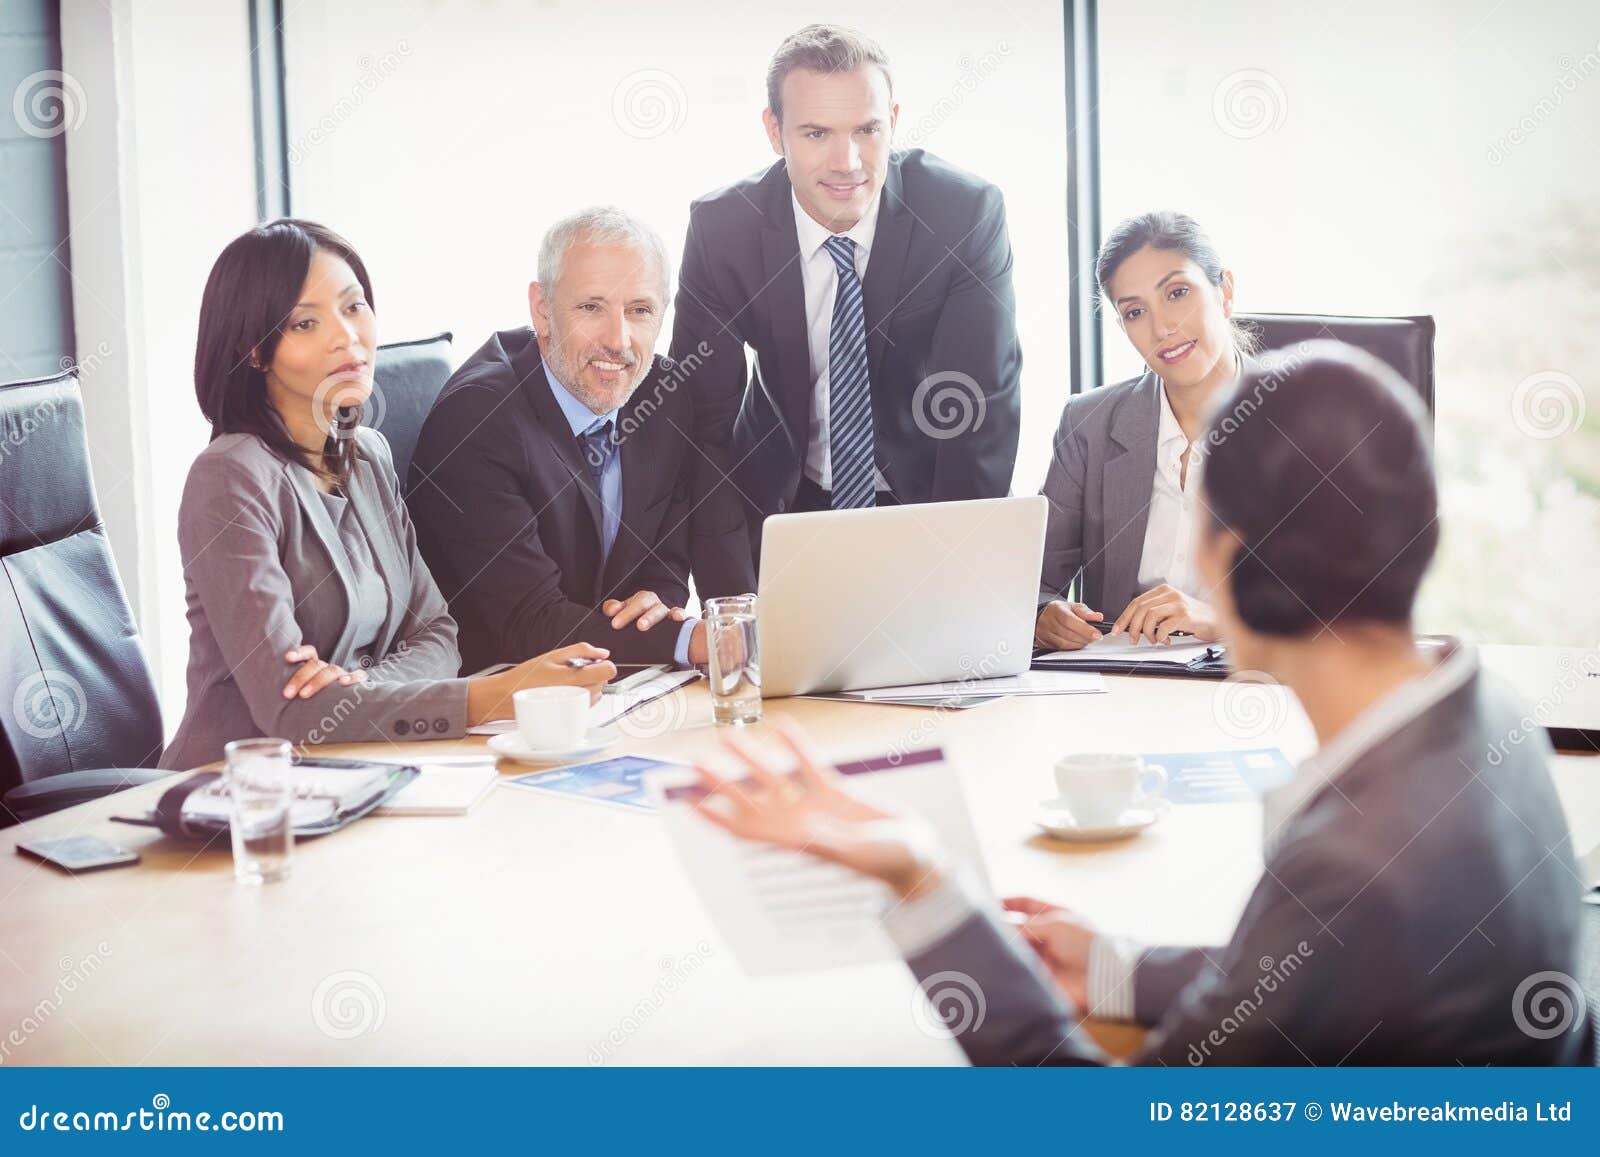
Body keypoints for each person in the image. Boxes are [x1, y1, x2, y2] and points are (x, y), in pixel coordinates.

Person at [688, 342, 1594, 1065]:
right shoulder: (1492, 717)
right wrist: (1117, 966)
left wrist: (923, 880)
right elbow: (1320, 976)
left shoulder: (1355, 869)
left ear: (1230, 561)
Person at [159, 220, 613, 771]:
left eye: (354, 307)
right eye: (306, 322)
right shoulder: (230, 478)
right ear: (255, 351)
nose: (347, 337)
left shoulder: (367, 455)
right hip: (238, 796)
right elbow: (291, 712)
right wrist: (499, 694)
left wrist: (356, 687)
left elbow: (441, 636)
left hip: (362, 767)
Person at [670, 24, 1021, 591]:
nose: (847, 162)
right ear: (774, 131)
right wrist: (729, 604)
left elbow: (978, 412)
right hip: (787, 504)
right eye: (815, 133)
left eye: (867, 129)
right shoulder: (723, 230)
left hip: (924, 499)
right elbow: (704, 428)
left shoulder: (964, 215)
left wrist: (960, 588)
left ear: (895, 121)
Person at [408, 207, 746, 676]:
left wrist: (657, 601)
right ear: (542, 310)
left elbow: (663, 561)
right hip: (499, 702)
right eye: (591, 307)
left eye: (640, 310)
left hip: (616, 685)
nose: (618, 340)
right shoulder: (477, 419)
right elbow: (529, 623)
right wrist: (692, 638)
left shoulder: (664, 396)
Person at [1036, 211, 1255, 651]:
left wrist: (1223, 620)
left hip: (1260, 690)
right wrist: (1044, 616)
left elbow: (1351, 612)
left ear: (1225, 292)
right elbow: (1031, 584)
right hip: (1122, 690)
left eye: (1177, 293)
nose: (1162, 328)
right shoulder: (1088, 425)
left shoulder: (1304, 423)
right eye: (1135, 312)